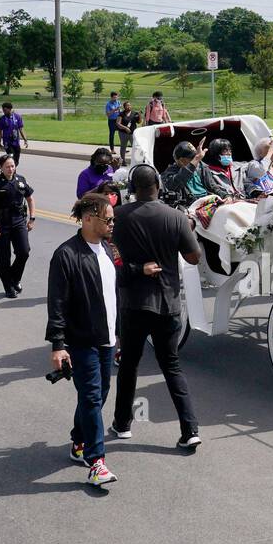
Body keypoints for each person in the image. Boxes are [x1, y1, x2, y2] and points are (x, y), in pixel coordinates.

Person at [110, 165, 203, 451]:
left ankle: (123, 424)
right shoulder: (176, 217)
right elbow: (193, 257)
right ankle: (190, 430)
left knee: (129, 365)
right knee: (172, 366)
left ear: (131, 188)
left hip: (134, 304)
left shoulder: (120, 216)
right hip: (168, 304)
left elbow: (111, 257)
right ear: (159, 185)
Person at [46, 192, 122, 486]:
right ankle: (96, 462)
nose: (113, 224)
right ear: (89, 219)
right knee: (91, 396)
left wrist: (120, 333)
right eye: (109, 219)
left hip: (107, 338)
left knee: (99, 394)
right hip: (81, 340)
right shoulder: (66, 255)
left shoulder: (109, 249)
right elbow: (57, 304)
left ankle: (79, 440)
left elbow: (113, 294)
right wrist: (58, 345)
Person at [0, 155, 35, 298]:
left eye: (12, 166)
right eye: (7, 166)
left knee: (24, 252)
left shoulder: (21, 180)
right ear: (0, 167)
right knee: (4, 258)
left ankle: (15, 279)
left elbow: (30, 199)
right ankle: (8, 287)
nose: (10, 169)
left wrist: (32, 218)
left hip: (19, 221)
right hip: (1, 224)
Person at [0, 101, 27, 166]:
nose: (4, 112)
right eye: (3, 110)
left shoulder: (17, 117)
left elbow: (21, 129)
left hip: (16, 142)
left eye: (5, 110)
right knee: (11, 159)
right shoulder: (2, 119)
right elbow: (0, 131)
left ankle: (13, 171)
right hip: (7, 143)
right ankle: (12, 173)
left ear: (10, 109)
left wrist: (25, 140)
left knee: (16, 161)